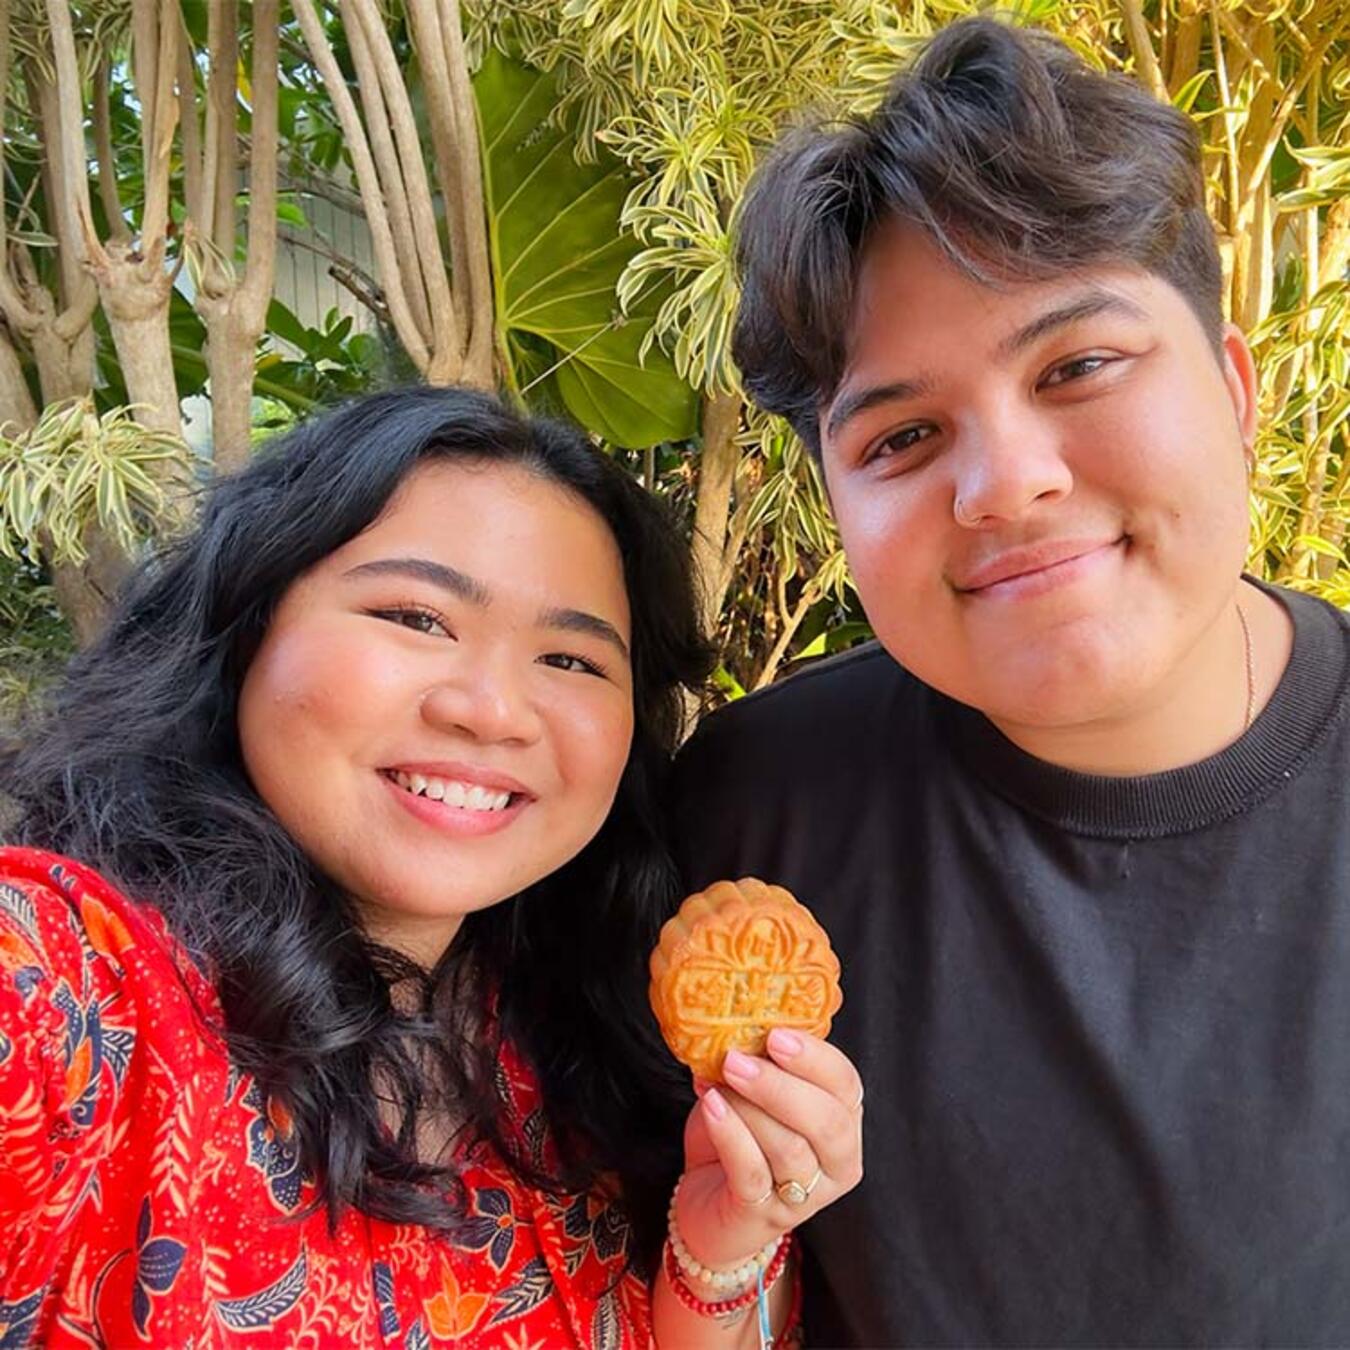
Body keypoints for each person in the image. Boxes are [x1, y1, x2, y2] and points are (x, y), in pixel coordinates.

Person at [673, 16, 1350, 1349]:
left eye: (1078, 365)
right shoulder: (745, 819)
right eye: (904, 434)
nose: (1005, 484)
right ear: (832, 503)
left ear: (1233, 387)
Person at [0, 386, 862, 1348]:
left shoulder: (580, 1050)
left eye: (572, 661)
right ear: (247, 628)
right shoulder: (63, 1002)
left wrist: (722, 1240)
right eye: (415, 617)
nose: (492, 711)